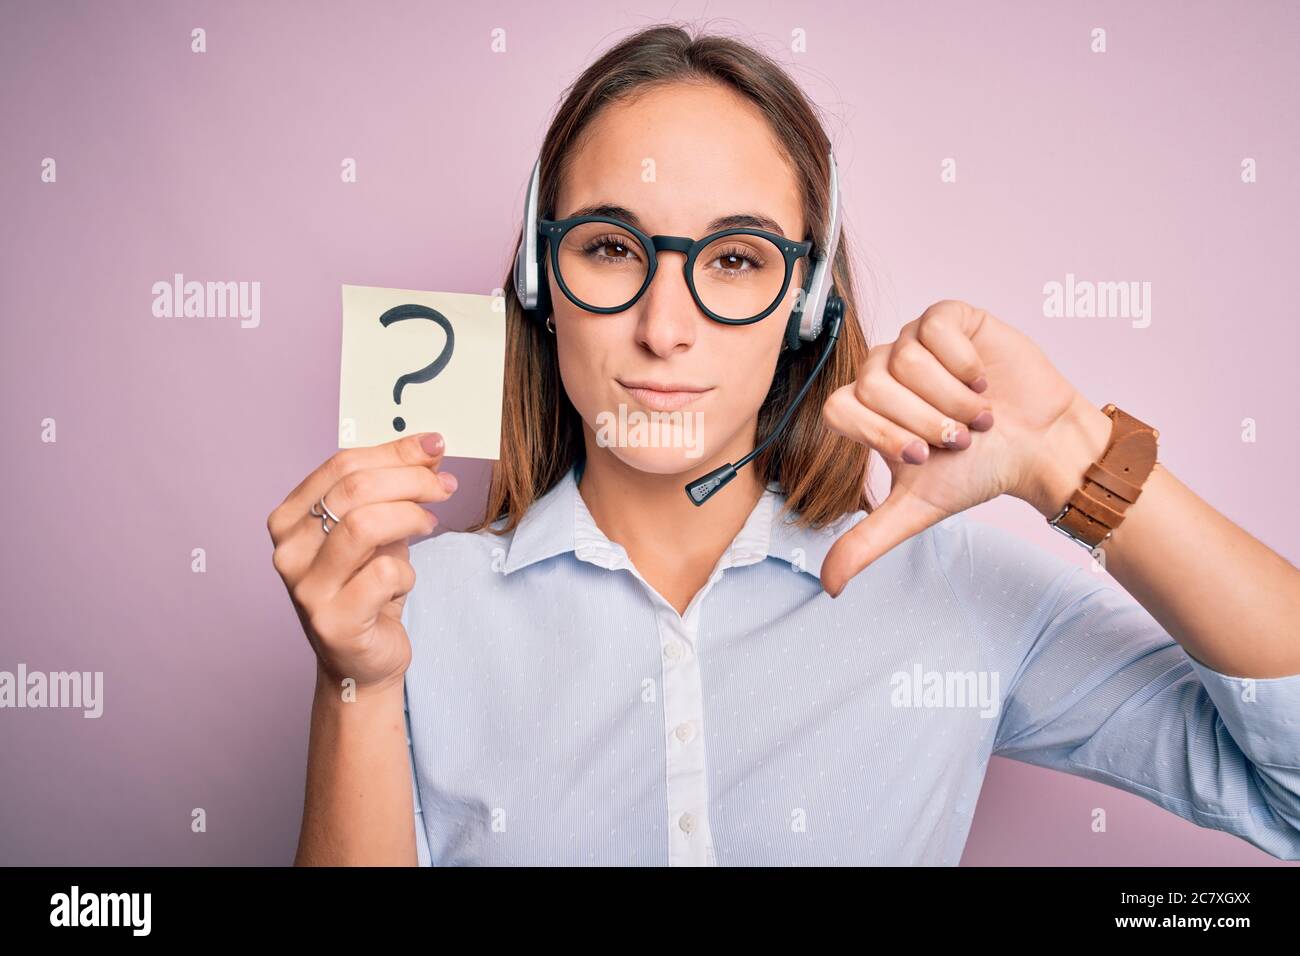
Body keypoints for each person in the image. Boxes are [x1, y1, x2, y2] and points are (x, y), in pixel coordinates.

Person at [267, 24, 1300, 866]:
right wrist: (352, 680)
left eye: (734, 258)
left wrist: (1077, 457)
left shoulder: (954, 592)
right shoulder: (413, 610)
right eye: (612, 247)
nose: (664, 325)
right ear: (542, 287)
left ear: (804, 302)